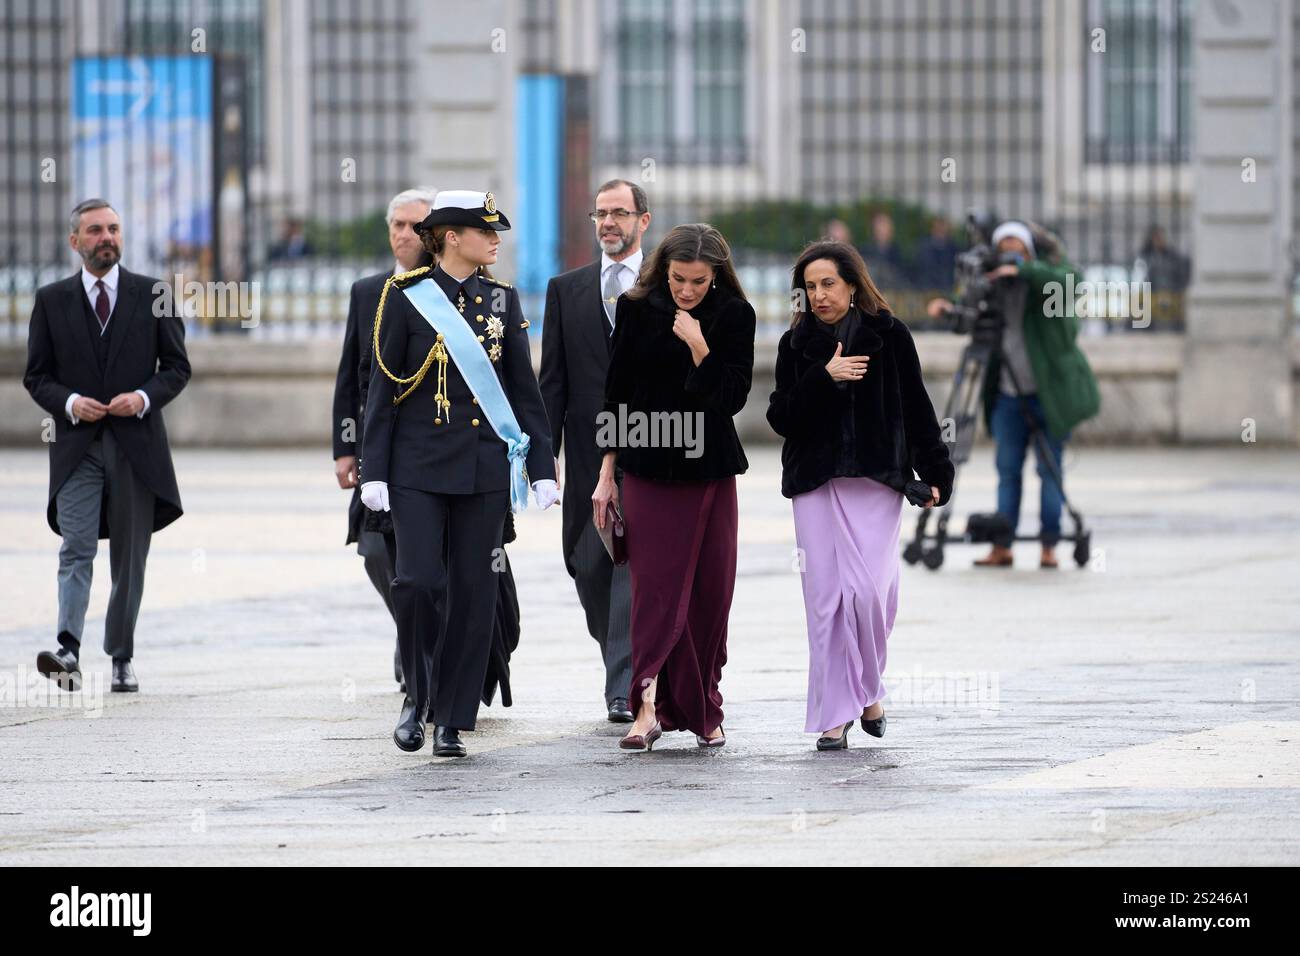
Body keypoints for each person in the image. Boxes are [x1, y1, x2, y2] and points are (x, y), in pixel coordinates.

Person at [360, 190, 558, 758]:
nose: (496, 239)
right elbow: (383, 389)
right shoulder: (404, 298)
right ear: (451, 236)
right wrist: (374, 467)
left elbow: (524, 389)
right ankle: (416, 697)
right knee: (417, 582)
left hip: (484, 469)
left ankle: (451, 717)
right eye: (484, 230)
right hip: (417, 468)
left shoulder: (502, 299)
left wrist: (541, 464)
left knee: (475, 593)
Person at [767, 240, 953, 750]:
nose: (820, 295)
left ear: (852, 283)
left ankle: (868, 688)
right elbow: (780, 416)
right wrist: (822, 378)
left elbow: (916, 406)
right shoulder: (795, 344)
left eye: (829, 283)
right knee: (825, 602)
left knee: (870, 595)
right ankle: (834, 715)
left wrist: (937, 470)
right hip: (815, 484)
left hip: (875, 483)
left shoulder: (890, 336)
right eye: (810, 287)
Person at [593, 223, 755, 752]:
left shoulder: (735, 315)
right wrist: (605, 477)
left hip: (709, 470)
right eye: (678, 278)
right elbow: (616, 395)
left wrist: (700, 346)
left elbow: (732, 397)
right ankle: (645, 707)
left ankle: (706, 707)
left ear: (717, 276)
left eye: (699, 282)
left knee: (711, 591)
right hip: (647, 467)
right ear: (664, 269)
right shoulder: (637, 310)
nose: (686, 290)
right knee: (655, 591)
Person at [23, 199, 191, 693]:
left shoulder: (153, 293)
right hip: (77, 448)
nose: (107, 238)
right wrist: (72, 402)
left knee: (129, 557)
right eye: (96, 230)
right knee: (75, 547)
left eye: (114, 228)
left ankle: (121, 655)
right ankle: (68, 648)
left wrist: (141, 397)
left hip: (137, 447)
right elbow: (36, 376)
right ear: (75, 241)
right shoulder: (51, 300)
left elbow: (177, 368)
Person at [926, 220, 1100, 569]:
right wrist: (950, 310)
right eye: (1002, 248)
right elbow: (968, 316)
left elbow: (1072, 282)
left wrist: (1025, 270)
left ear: (1028, 252)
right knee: (1007, 469)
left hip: (1048, 395)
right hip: (1006, 394)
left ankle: (1049, 545)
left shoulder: (1047, 283)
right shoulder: (991, 288)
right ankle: (1001, 544)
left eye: (1016, 248)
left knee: (1049, 469)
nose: (1009, 254)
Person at [539, 178, 650, 723]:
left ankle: (625, 686)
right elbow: (552, 382)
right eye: (600, 214)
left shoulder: (665, 284)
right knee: (588, 566)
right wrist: (544, 458)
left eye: (619, 213)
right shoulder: (566, 289)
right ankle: (621, 661)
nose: (608, 223)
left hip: (653, 448)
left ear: (642, 221)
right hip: (586, 455)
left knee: (633, 566)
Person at [333, 187, 436, 691]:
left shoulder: (449, 290)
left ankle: (416, 643)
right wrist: (345, 447)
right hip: (377, 447)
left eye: (414, 226)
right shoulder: (367, 290)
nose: (403, 234)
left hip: (427, 449)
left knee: (422, 552)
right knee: (374, 548)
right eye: (396, 224)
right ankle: (408, 626)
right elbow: (351, 376)